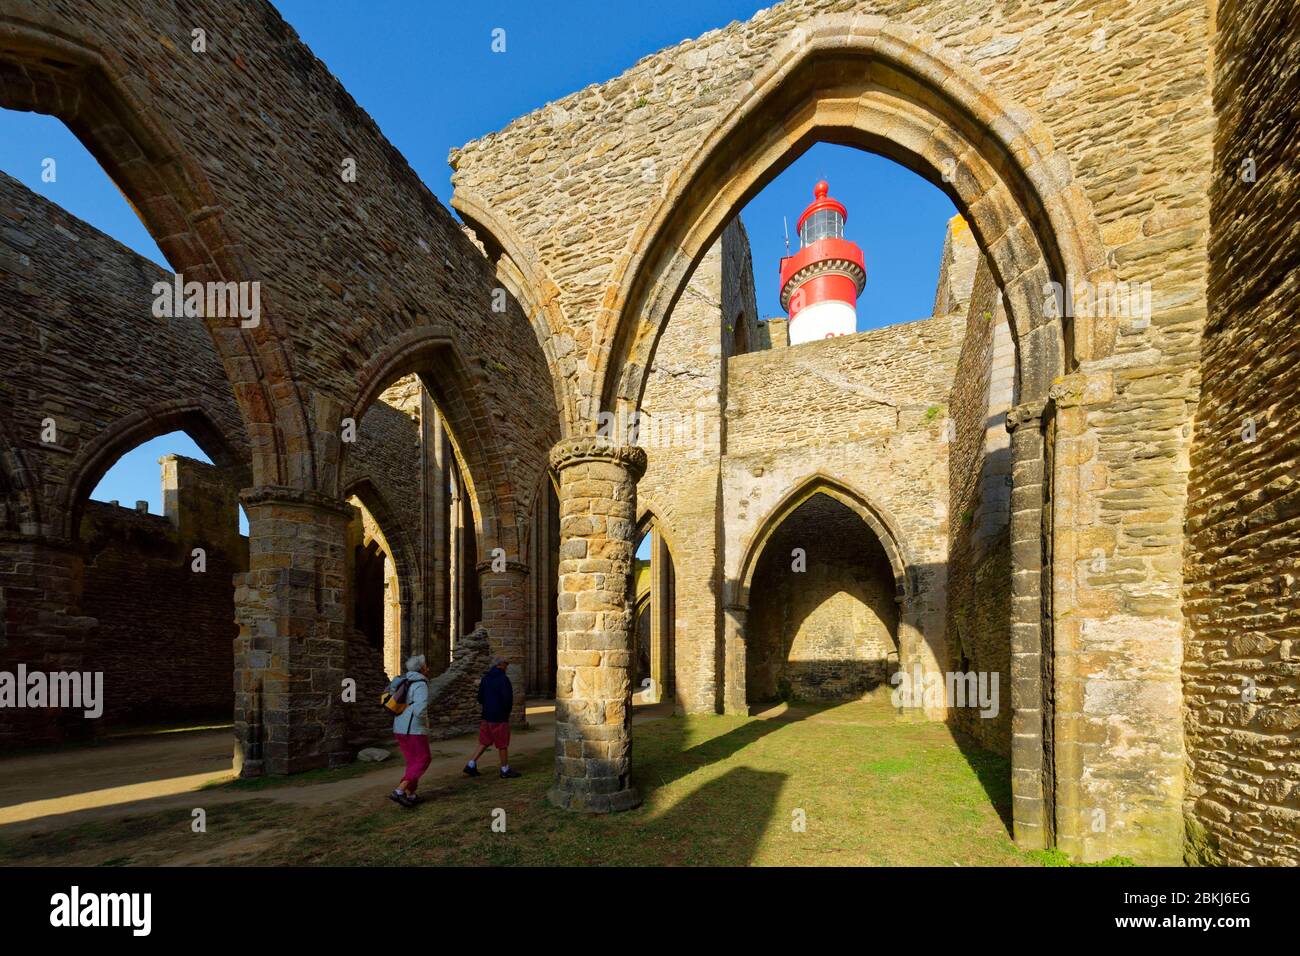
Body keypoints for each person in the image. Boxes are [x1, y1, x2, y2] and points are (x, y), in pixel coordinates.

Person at [464, 655, 520, 779]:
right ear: (499, 665)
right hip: (499, 717)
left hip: (486, 715)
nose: (507, 666)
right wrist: (506, 712)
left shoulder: (486, 678)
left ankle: (471, 764)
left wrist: (487, 707)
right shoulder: (503, 679)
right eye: (506, 664)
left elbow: (480, 697)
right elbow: (507, 699)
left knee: (484, 741)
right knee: (502, 744)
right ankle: (505, 769)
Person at [389, 654, 431, 807]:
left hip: (399, 726)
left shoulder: (404, 680)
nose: (428, 668)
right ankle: (399, 791)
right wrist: (425, 723)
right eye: (426, 665)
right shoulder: (420, 683)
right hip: (413, 729)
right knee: (424, 759)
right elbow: (420, 709)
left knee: (413, 762)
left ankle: (411, 794)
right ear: (421, 668)